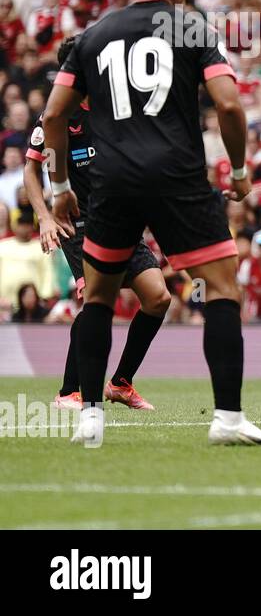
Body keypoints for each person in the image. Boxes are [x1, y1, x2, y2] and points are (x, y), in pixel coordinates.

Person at [46, 0, 261, 447]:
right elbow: (231, 107)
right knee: (220, 288)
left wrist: (61, 185)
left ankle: (88, 416)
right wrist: (239, 171)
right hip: (178, 176)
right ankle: (228, 420)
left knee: (100, 299)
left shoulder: (93, 35)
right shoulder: (189, 25)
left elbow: (52, 115)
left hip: (111, 181)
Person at [26, 35, 171, 411]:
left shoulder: (116, 106)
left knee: (158, 297)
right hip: (78, 224)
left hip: (120, 219)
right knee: (96, 302)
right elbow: (31, 170)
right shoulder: (57, 115)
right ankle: (68, 391)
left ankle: (121, 383)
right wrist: (44, 217)